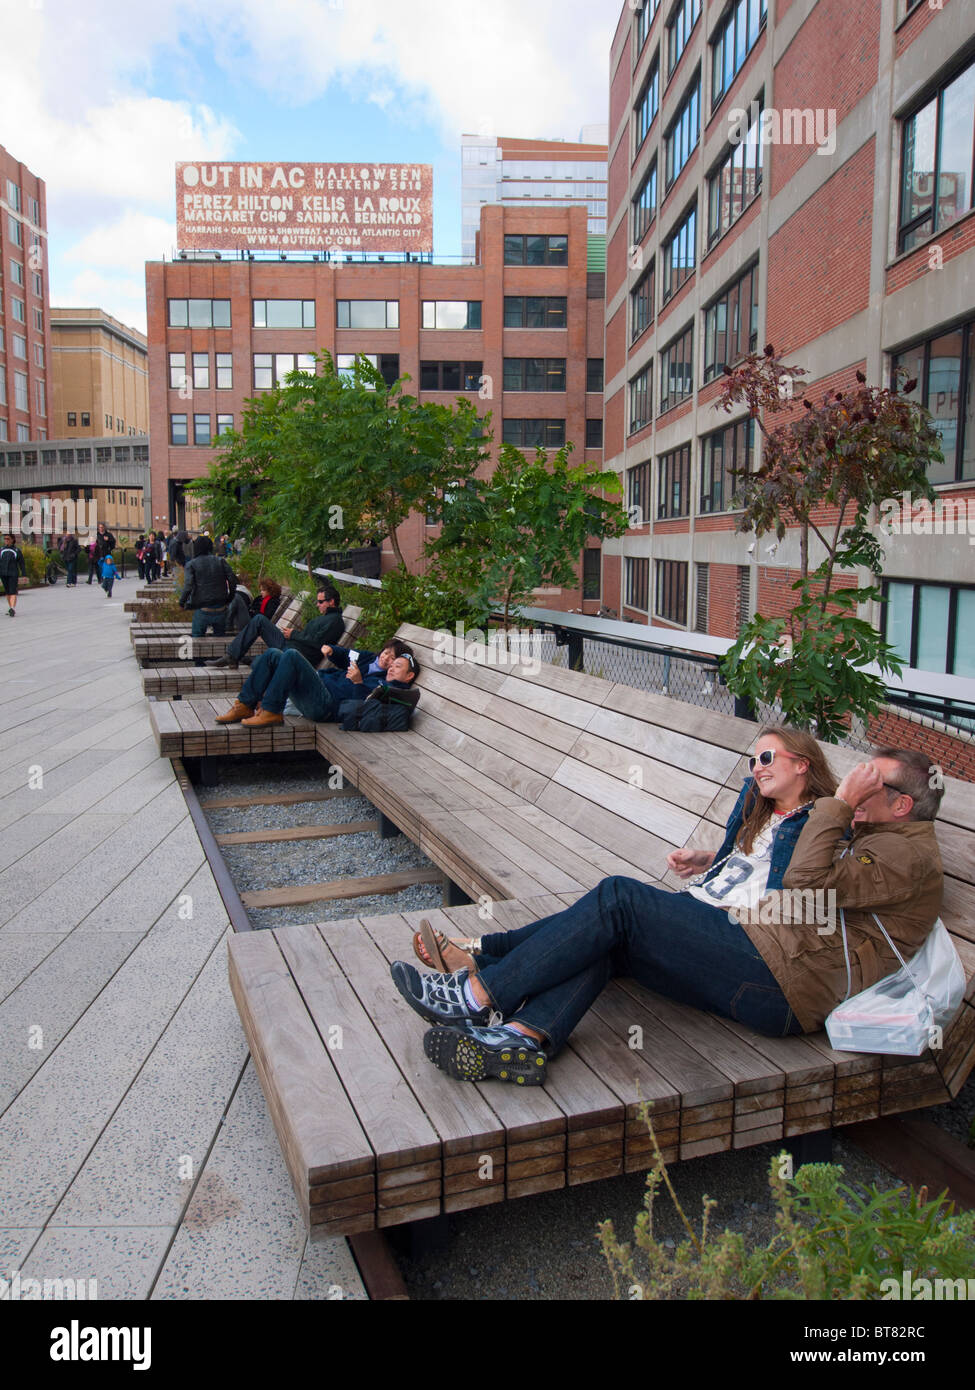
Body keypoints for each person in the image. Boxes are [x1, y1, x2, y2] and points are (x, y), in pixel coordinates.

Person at [397, 739, 947, 1086]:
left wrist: (839, 803)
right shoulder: (881, 836)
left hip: (783, 987)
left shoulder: (909, 854)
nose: (857, 785)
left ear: (900, 804)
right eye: (860, 777)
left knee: (620, 897)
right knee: (613, 937)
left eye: (871, 782)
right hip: (765, 959)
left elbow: (804, 882)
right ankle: (522, 1037)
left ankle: (475, 995)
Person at [215, 639, 417, 728]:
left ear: (408, 676)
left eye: (396, 663)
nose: (389, 664)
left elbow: (363, 707)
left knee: (292, 656)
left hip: (326, 706)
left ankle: (271, 711)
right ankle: (244, 705)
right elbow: (346, 656)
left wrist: (359, 682)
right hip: (320, 689)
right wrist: (332, 653)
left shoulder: (390, 688)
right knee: (273, 655)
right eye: (388, 656)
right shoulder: (369, 663)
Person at [208, 583, 344, 670]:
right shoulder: (325, 618)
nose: (317, 604)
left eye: (320, 602)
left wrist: (294, 634)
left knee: (258, 662)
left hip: (297, 654)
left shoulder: (335, 622)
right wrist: (293, 635)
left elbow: (318, 643)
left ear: (331, 602)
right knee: (259, 620)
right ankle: (233, 656)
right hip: (290, 645)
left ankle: (242, 658)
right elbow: (312, 637)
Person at [179, 535, 237, 636]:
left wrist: (182, 602)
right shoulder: (221, 561)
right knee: (220, 641)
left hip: (202, 608)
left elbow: (188, 585)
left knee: (197, 640)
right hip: (221, 607)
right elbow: (232, 580)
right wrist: (229, 598)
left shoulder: (192, 564)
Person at [1, 534, 26, 616]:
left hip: (13, 574)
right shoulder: (1, 550)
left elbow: (22, 563)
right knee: (7, 592)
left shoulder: (16, 550)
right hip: (3, 574)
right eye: (4, 539)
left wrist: (24, 574)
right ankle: (11, 608)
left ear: (12, 540)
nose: (6, 540)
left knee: (13, 591)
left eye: (8, 538)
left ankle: (12, 608)